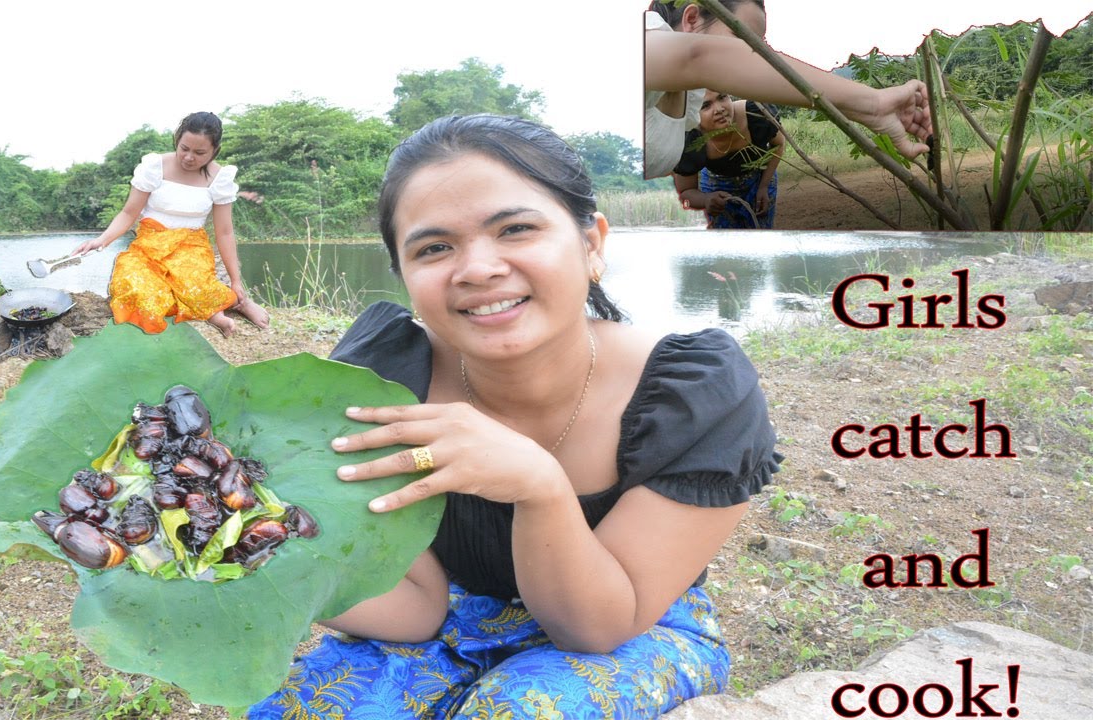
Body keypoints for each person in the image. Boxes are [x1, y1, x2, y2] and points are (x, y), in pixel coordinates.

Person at [245, 115, 781, 718]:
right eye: (434, 248)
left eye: (516, 229)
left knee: (519, 709)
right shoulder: (383, 378)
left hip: (632, 624)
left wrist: (540, 486)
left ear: (592, 244)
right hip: (449, 614)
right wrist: (260, 562)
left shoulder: (698, 393)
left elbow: (596, 627)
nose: (478, 268)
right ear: (404, 275)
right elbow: (416, 608)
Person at [644, 0, 931, 179]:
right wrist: (874, 103)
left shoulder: (692, 99)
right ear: (692, 20)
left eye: (758, 45)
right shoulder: (645, 36)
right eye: (743, 40)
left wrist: (874, 110)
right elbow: (697, 57)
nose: (754, 56)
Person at [73, 111, 268, 335]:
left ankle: (237, 303)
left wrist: (236, 281)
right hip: (148, 247)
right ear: (177, 139)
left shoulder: (220, 178)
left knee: (196, 287)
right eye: (184, 148)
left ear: (215, 150)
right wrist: (102, 240)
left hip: (190, 249)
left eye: (200, 153)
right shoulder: (154, 167)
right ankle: (213, 313)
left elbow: (224, 232)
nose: (189, 157)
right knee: (137, 289)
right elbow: (128, 213)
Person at [673, 90, 785, 228]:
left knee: (760, 231)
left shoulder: (755, 113)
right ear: (692, 114)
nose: (719, 109)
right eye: (706, 106)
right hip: (716, 188)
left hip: (761, 178)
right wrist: (706, 199)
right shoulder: (691, 140)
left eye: (722, 97)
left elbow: (779, 145)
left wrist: (763, 187)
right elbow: (686, 192)